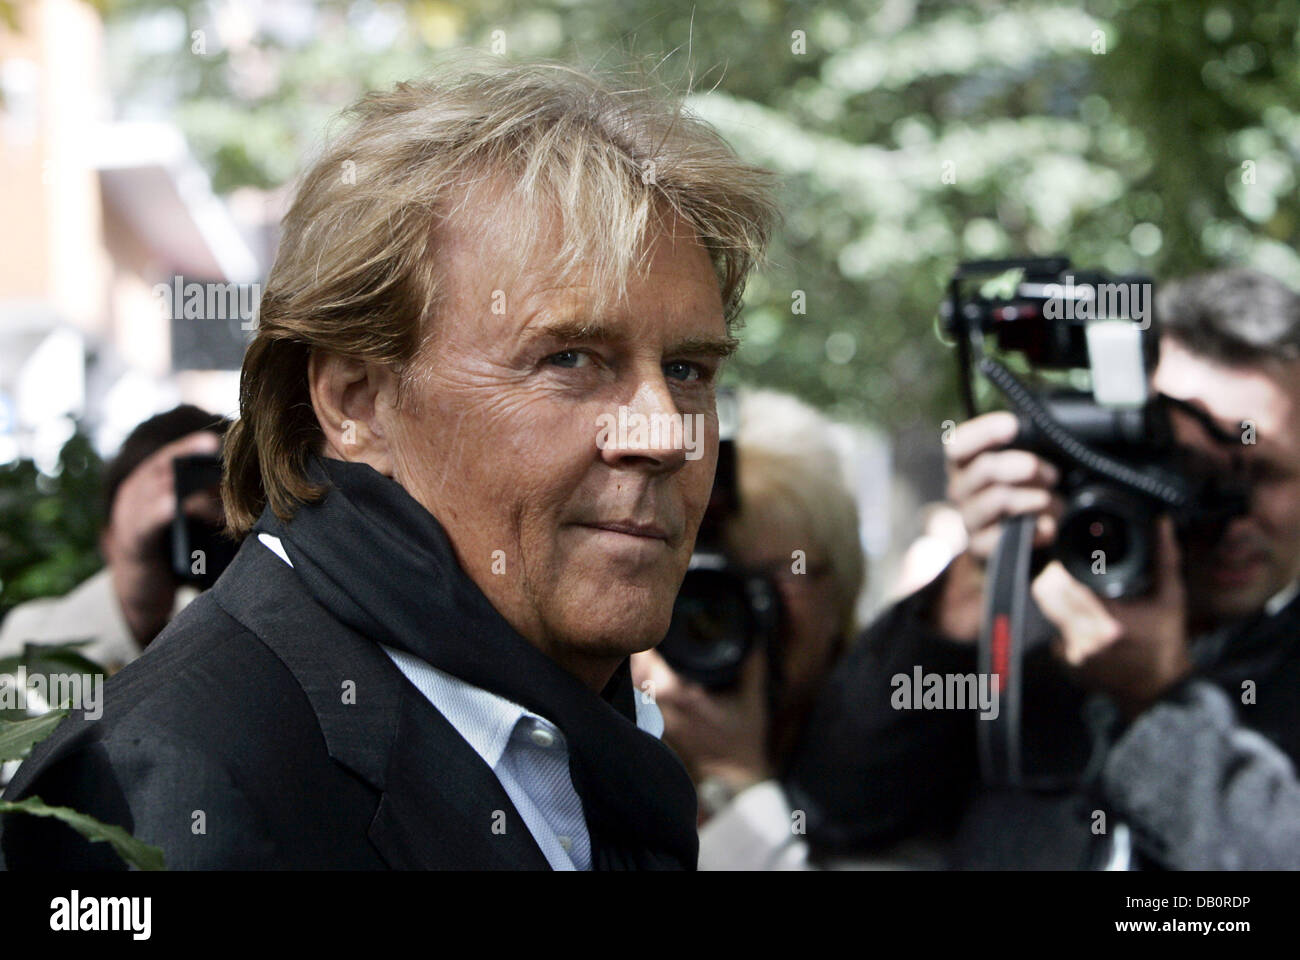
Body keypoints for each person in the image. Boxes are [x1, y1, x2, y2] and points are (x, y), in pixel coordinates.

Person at [0, 57, 778, 870]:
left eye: (688, 370)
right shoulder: (168, 785)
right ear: (355, 401)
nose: (660, 432)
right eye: (572, 358)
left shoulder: (568, 725)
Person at [785, 267, 1300, 869]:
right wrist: (968, 595)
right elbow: (834, 809)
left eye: (1258, 471)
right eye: (1188, 466)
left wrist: (1158, 702)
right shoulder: (1025, 629)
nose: (1224, 512)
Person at [632, 388, 866, 870]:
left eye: (777, 574)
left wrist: (733, 775)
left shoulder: (899, 747)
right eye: (697, 579)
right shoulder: (591, 735)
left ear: (841, 586)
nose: (729, 612)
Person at [0, 405, 228, 674]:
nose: (195, 554)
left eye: (221, 533)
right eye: (168, 538)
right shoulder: (28, 635)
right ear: (106, 540)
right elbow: (23, 694)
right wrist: (134, 611)